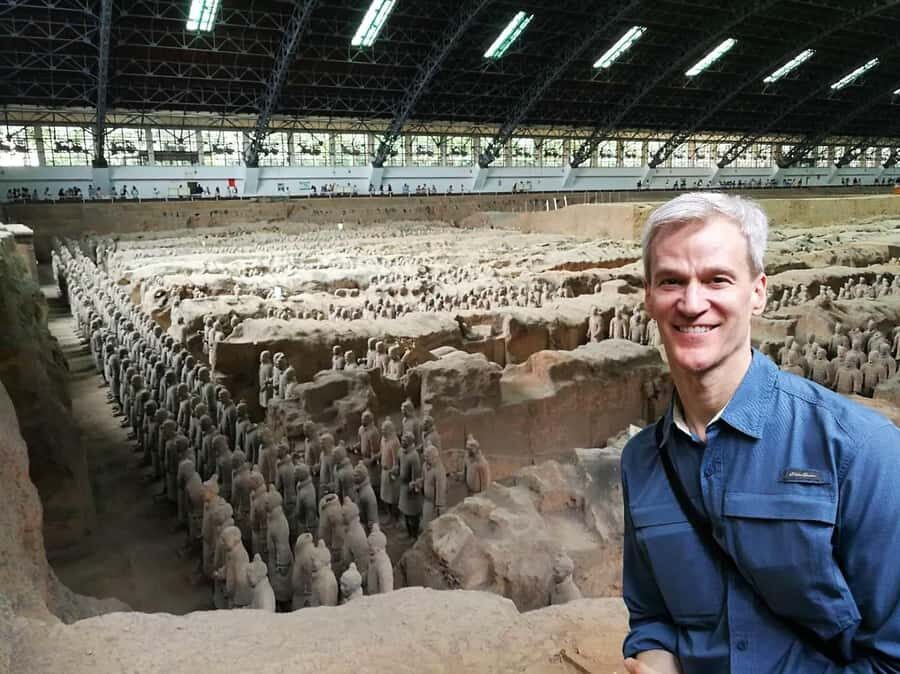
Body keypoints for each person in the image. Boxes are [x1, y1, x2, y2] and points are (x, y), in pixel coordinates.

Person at [621, 192, 900, 674]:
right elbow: (653, 614)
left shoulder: (860, 450)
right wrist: (655, 656)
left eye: (717, 279)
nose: (691, 303)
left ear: (758, 291)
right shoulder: (642, 460)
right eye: (671, 281)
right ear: (648, 295)